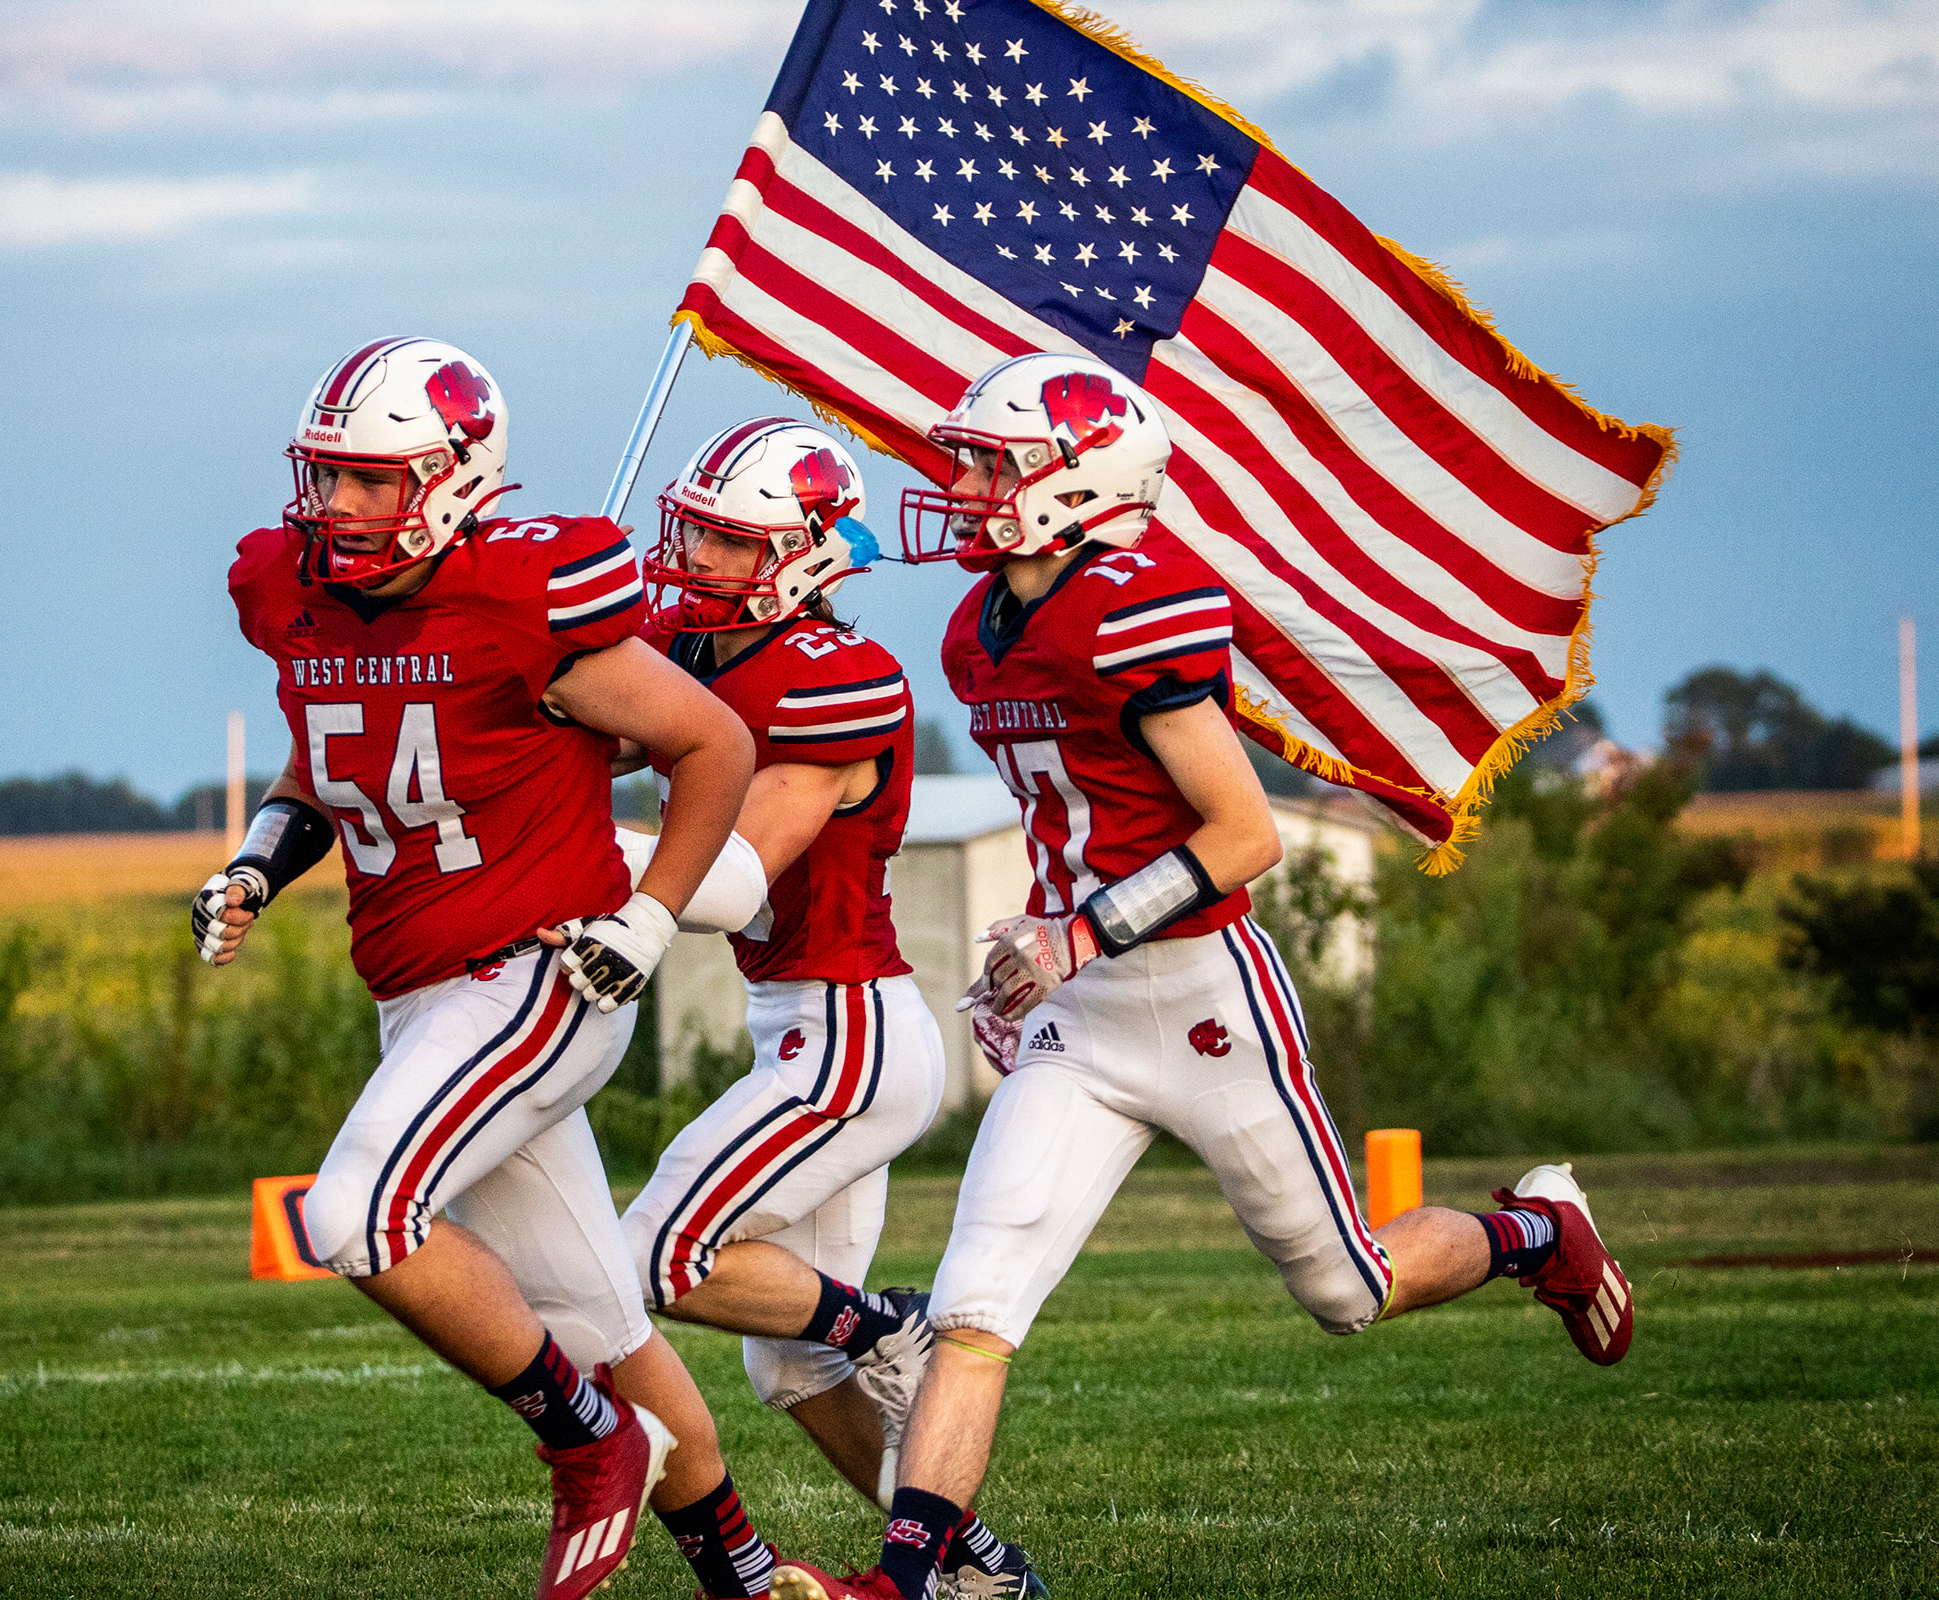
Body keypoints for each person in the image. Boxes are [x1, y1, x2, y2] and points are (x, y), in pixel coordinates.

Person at [767, 353, 1637, 1600]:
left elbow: (1244, 833)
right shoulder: (981, 626)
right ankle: (906, 1584)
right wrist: (1036, 942)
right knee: (975, 1305)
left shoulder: (1133, 606)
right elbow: (1071, 818)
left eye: (990, 462)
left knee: (1348, 1286)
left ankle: (1539, 1230)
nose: (959, 484)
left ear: (1077, 483)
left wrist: (1074, 932)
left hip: (1203, 996)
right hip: (1084, 1012)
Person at [196, 335, 785, 1600]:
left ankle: (586, 1446)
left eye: (373, 480)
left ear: (459, 474)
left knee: (356, 1217)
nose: (340, 507)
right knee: (602, 1326)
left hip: (538, 969)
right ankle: (744, 1569)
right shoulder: (290, 590)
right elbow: (332, 760)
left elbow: (715, 742)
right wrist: (255, 863)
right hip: (421, 990)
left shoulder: (530, 593)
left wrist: (650, 913)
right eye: (328, 476)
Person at [615, 418, 1049, 1600]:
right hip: (802, 1026)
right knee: (787, 1370)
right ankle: (979, 1573)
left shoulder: (836, 676)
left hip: (849, 1031)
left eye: (727, 538)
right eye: (693, 528)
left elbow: (734, 880)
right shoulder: (691, 643)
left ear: (804, 553)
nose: (694, 554)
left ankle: (881, 1325)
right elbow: (575, 737)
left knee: (651, 1254)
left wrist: (557, 853)